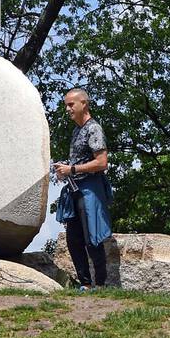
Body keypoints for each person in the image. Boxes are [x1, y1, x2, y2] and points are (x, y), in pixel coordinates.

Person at [53, 88, 112, 290]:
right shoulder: (76, 130)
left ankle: (101, 285)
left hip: (91, 189)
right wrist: (65, 170)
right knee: (73, 239)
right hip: (75, 190)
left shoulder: (93, 128)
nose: (67, 109)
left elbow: (102, 162)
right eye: (66, 105)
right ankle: (85, 284)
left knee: (93, 237)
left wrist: (73, 169)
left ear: (84, 104)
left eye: (71, 104)